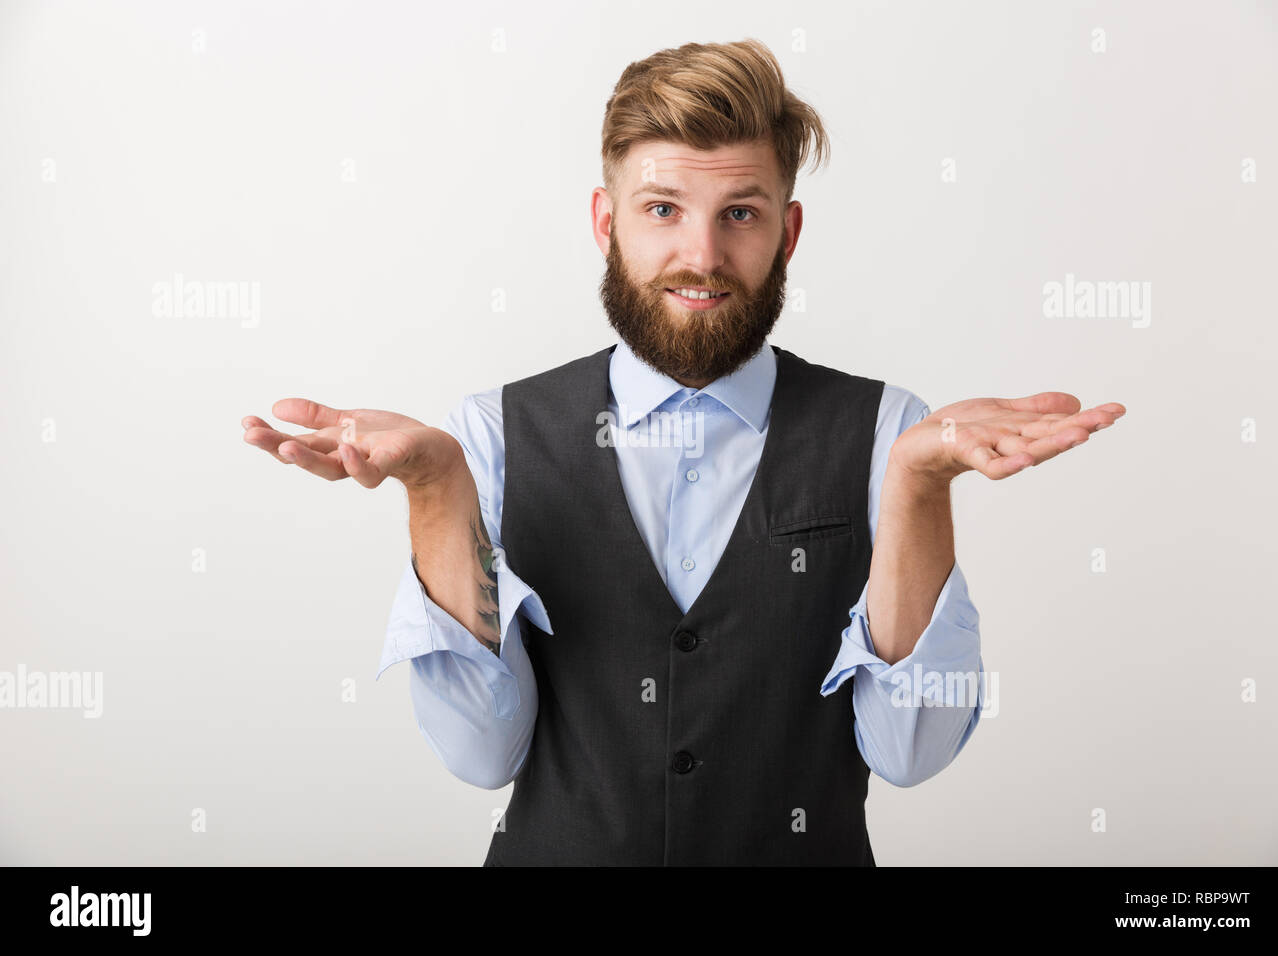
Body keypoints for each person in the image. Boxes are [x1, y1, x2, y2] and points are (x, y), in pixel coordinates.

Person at [241, 38, 1125, 866]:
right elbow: (481, 754)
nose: (701, 256)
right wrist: (435, 489)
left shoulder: (891, 434)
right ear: (605, 221)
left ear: (788, 230)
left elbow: (910, 753)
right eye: (662, 209)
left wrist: (920, 487)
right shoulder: (490, 437)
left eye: (739, 212)